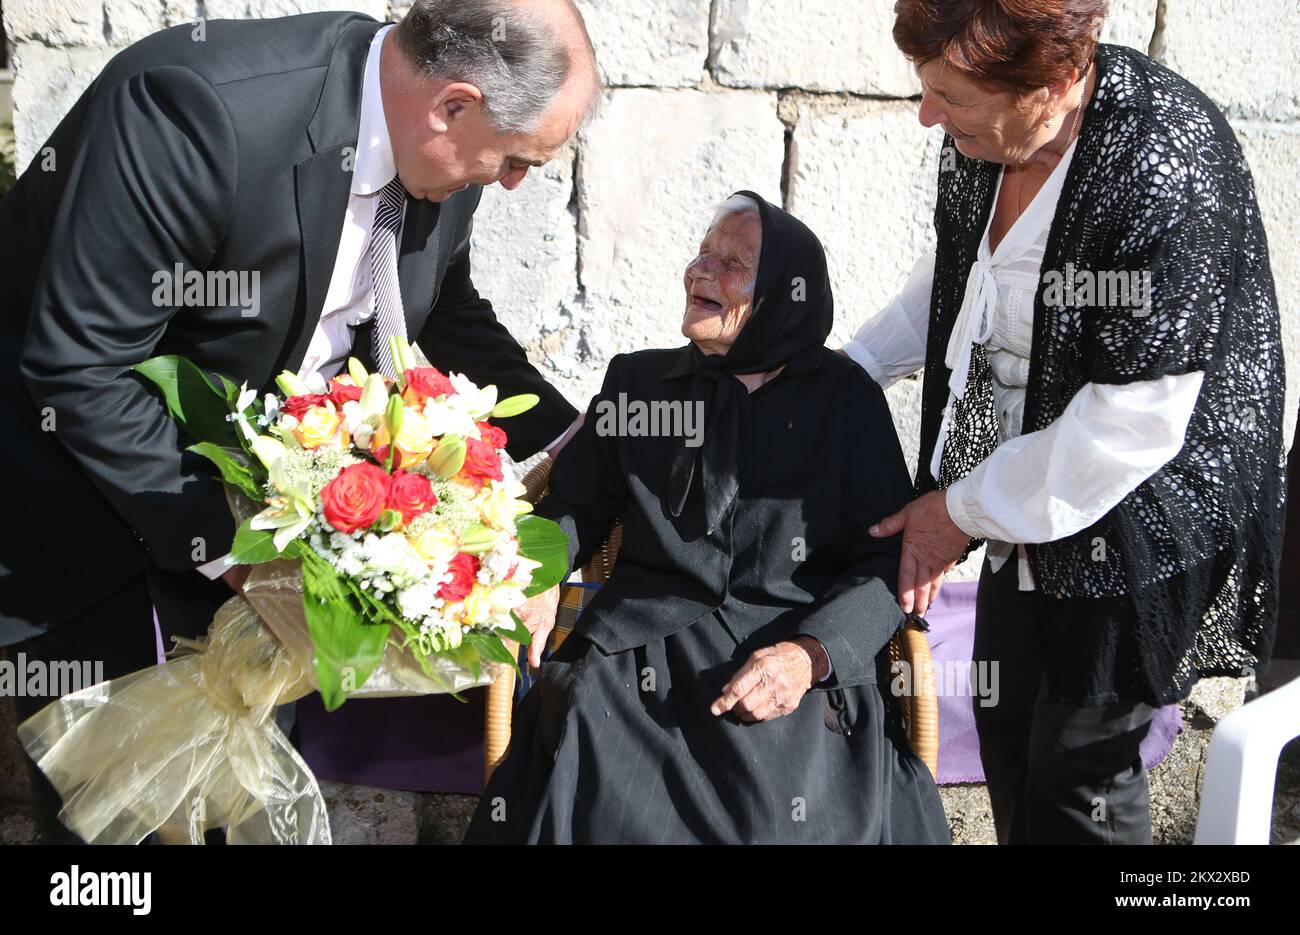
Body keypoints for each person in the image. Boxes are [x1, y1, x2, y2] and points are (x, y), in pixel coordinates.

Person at [0, 0, 598, 842]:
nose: (510, 182)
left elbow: (440, 306)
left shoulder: (436, 157)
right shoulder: (198, 111)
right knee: (115, 833)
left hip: (260, 533)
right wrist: (242, 558)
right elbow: (77, 369)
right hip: (81, 507)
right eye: (514, 160)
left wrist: (582, 442)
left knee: (243, 811)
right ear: (453, 105)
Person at [843, 0, 1286, 844]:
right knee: (1008, 728)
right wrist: (846, 371)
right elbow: (952, 280)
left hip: (1145, 501)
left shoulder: (1162, 161)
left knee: (1081, 769)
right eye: (926, 89)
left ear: (1049, 87)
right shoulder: (986, 138)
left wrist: (954, 512)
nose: (929, 114)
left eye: (950, 97)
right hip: (1026, 483)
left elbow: (1131, 421)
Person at [465, 192, 951, 844]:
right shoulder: (638, 385)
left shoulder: (846, 402)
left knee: (791, 818)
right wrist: (545, 574)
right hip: (643, 654)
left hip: (791, 654)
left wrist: (813, 655)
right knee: (605, 791)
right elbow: (571, 504)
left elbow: (886, 556)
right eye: (702, 253)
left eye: (732, 263)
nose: (701, 271)